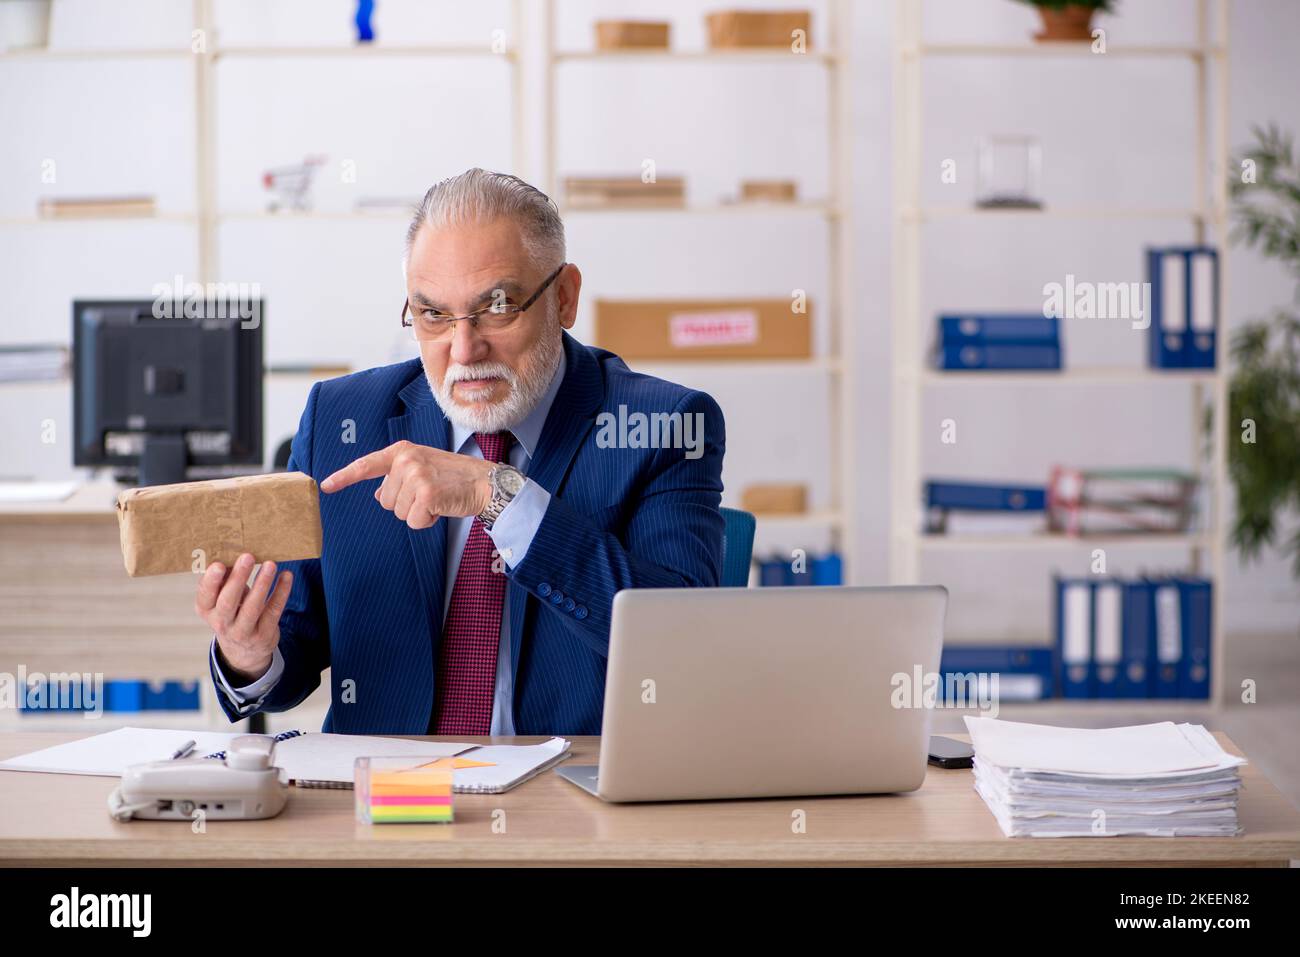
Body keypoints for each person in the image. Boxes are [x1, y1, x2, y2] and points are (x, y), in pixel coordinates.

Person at [195, 168, 726, 735]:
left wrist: (497, 496)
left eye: (498, 306)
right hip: (388, 800)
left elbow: (679, 649)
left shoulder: (661, 426)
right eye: (434, 315)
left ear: (565, 297)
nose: (464, 349)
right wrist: (247, 650)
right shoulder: (342, 418)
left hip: (565, 800)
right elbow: (294, 647)